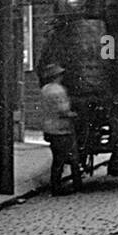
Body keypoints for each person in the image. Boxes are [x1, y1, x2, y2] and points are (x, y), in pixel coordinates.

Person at [39, 62, 82, 194]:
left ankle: (56, 186)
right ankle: (73, 186)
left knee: (57, 159)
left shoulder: (45, 89)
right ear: (57, 76)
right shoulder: (58, 91)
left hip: (49, 128)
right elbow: (63, 110)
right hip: (62, 129)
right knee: (72, 158)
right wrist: (75, 115)